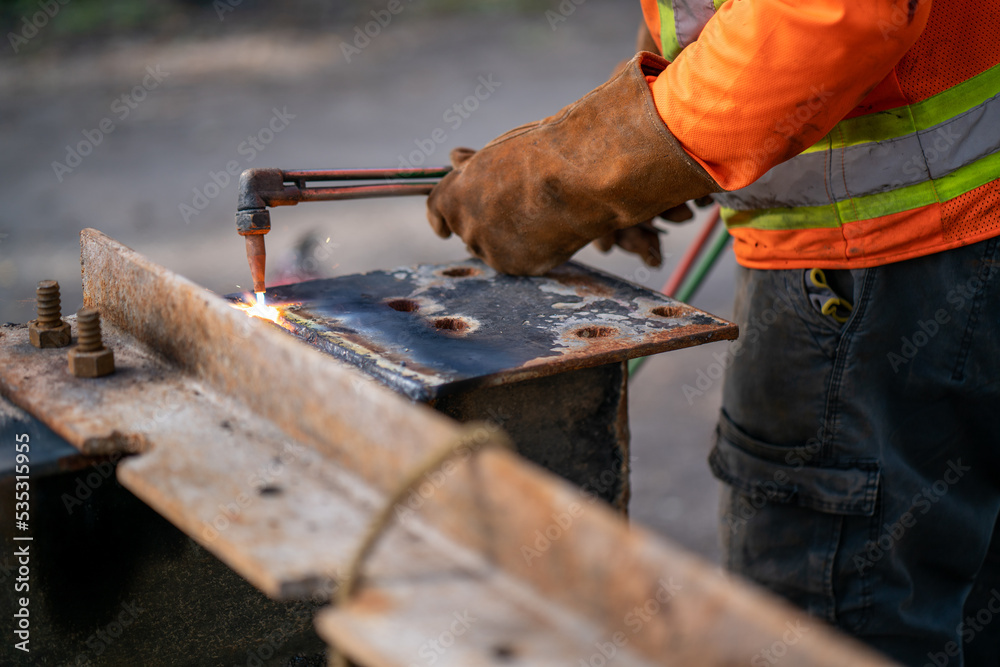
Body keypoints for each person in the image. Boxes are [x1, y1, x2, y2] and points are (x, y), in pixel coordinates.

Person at [425, 1, 1000, 664]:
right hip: (948, 243)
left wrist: (569, 176)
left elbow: (835, 15)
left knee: (827, 630)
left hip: (878, 265)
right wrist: (651, 143)